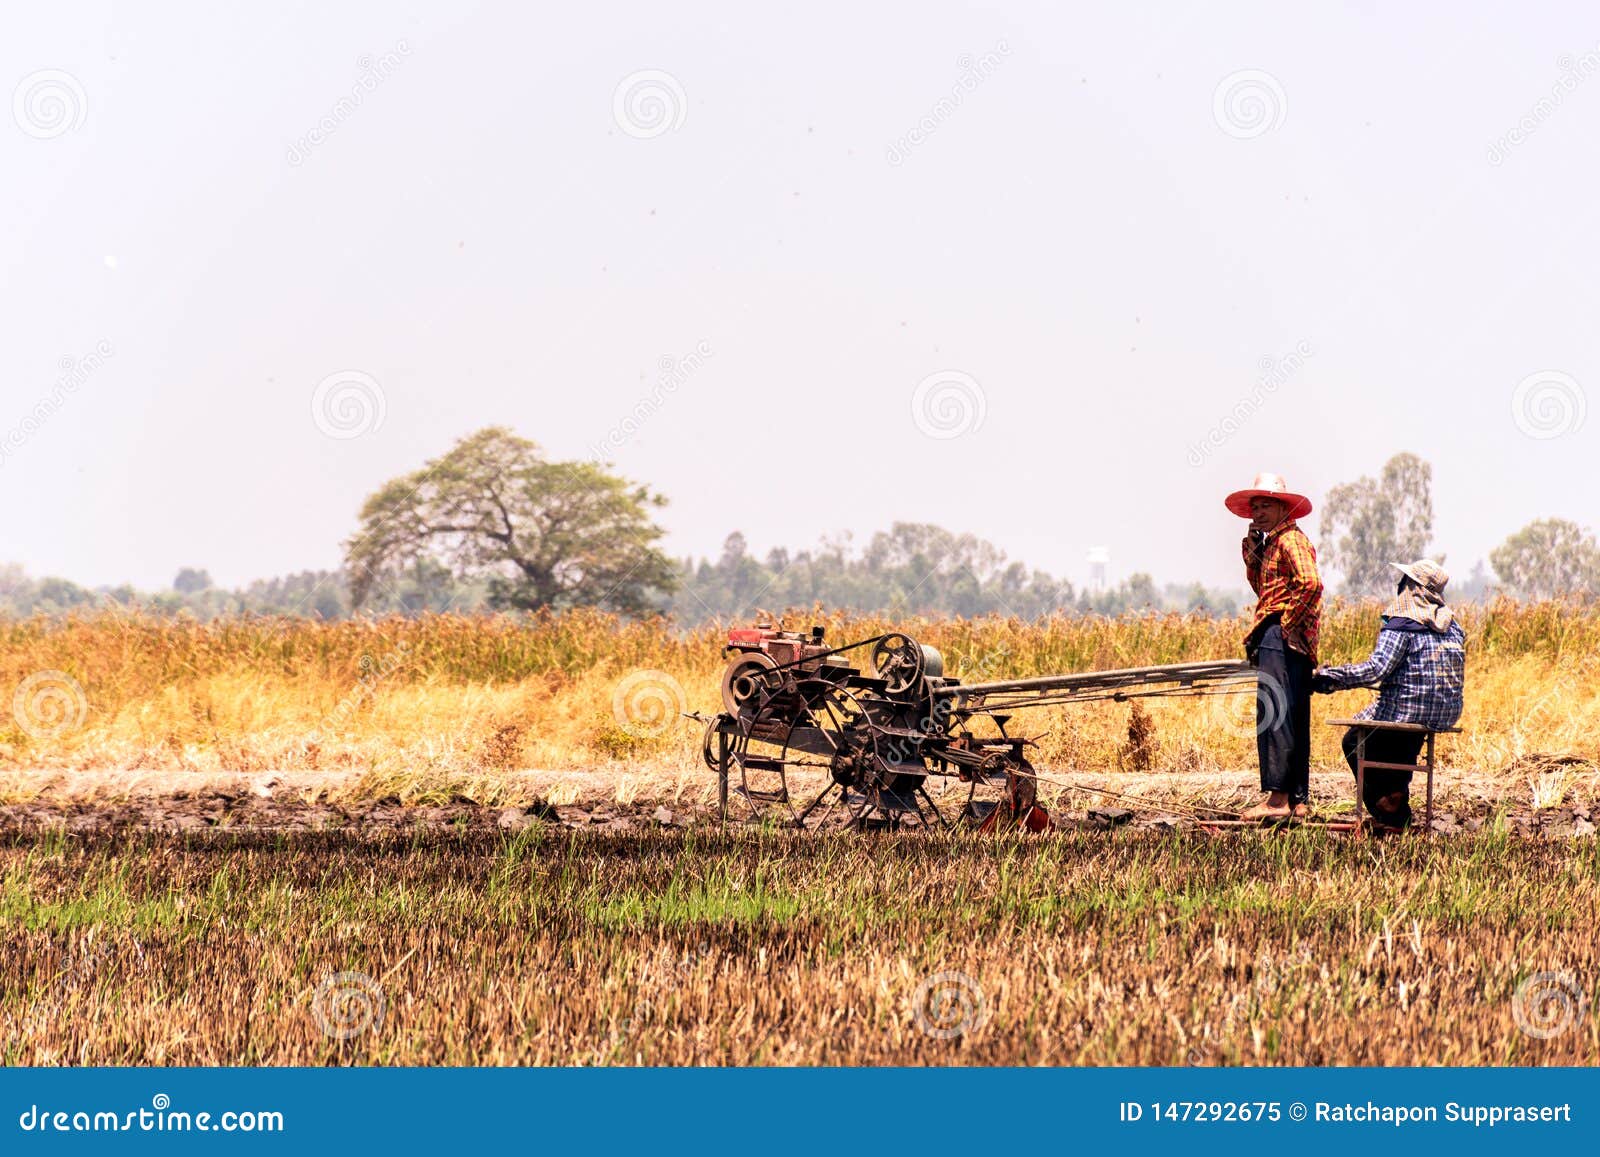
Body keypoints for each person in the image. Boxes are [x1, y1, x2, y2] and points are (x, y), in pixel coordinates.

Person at [1312, 559, 1466, 830]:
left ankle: (1385, 804)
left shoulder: (1403, 622)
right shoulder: (1452, 626)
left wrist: (1330, 678)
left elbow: (1377, 669)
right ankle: (1397, 801)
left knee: (1353, 741)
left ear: (1412, 587)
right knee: (1406, 736)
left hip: (1406, 708)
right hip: (1443, 713)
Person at [1225, 472, 1324, 821]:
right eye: (1255, 507)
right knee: (1292, 714)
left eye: (1266, 505)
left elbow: (1310, 583)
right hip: (1287, 638)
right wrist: (1253, 553)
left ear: (1283, 507)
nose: (1258, 512)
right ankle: (1298, 800)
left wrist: (1287, 622)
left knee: (1275, 715)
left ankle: (1278, 800)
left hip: (1278, 634)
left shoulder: (1289, 540)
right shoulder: (1273, 543)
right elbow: (1266, 591)